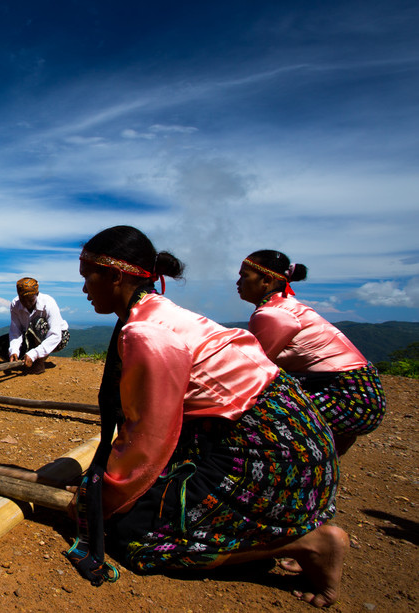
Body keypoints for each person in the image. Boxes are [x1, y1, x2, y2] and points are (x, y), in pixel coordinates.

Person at [66, 226, 345, 608]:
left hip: (270, 455)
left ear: (116, 276)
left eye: (88, 277)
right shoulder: (160, 312)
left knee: (132, 533)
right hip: (302, 442)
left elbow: (150, 435)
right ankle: (276, 528)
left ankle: (306, 543)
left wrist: (102, 496)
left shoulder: (147, 332)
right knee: (157, 493)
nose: (84, 288)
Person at [237, 250, 385, 455]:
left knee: (250, 412)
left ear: (267, 280)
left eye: (244, 276)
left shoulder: (273, 313)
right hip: (363, 395)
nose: (238, 283)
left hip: (348, 400)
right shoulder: (287, 306)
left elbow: (256, 369)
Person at [0, 277, 69, 373]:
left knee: (37, 323)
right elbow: (16, 330)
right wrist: (14, 351)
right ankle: (25, 361)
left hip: (59, 338)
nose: (27, 303)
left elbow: (56, 335)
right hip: (30, 335)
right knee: (1, 344)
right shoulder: (15, 305)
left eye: (30, 300)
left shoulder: (48, 303)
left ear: (37, 294)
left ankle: (39, 362)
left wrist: (35, 353)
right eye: (23, 300)